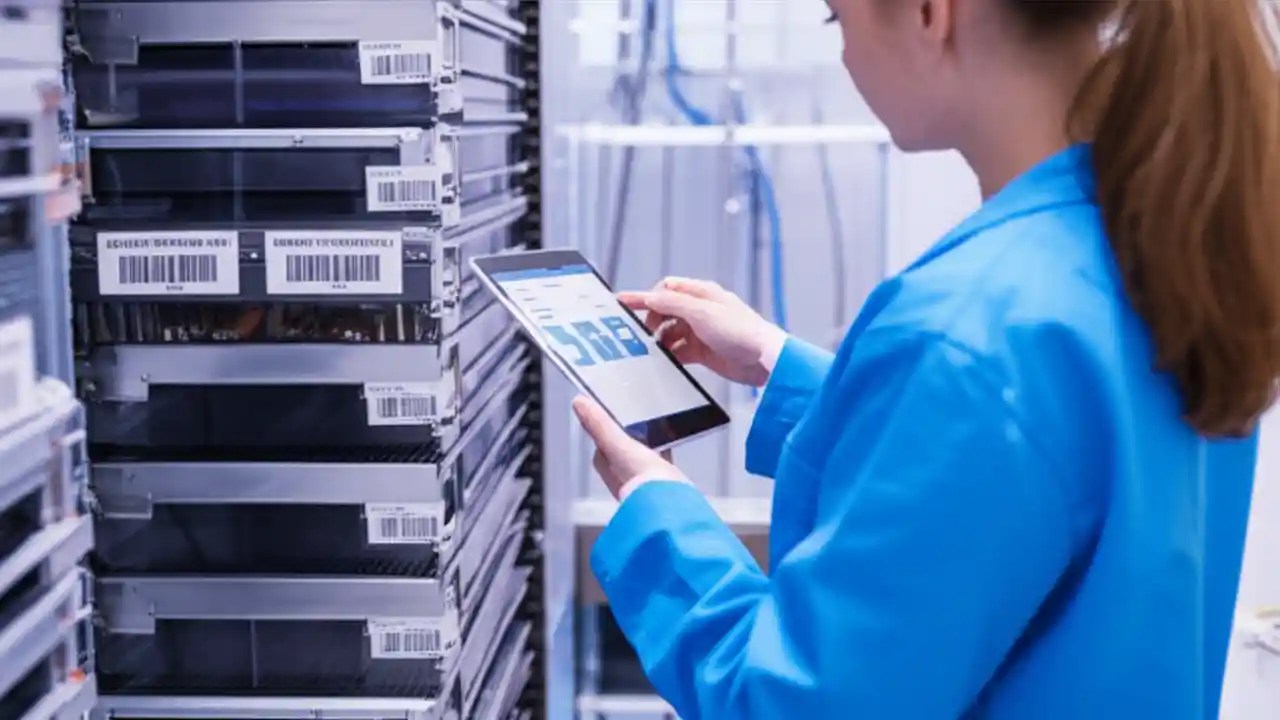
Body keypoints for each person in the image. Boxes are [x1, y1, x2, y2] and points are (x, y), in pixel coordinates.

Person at [570, 0, 1280, 718]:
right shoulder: (1161, 257)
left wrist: (657, 510)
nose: (844, 54)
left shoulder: (965, 333)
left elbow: (790, 703)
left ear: (932, 12)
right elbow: (1026, 475)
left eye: (835, 19)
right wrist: (778, 366)